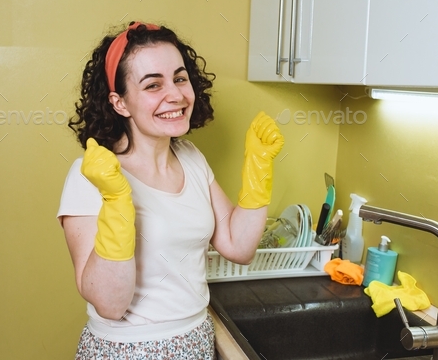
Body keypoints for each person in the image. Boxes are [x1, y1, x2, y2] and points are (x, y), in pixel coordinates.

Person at [57, 21, 284, 359]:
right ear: (120, 103)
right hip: (126, 350)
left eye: (180, 78)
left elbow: (239, 246)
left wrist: (258, 171)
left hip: (195, 340)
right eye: (153, 85)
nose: (176, 94)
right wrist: (118, 202)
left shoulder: (191, 158)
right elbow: (110, 304)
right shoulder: (91, 176)